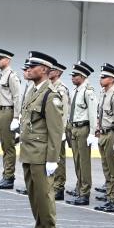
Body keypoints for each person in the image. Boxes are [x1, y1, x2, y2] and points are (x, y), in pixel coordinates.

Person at [18, 51, 65, 228]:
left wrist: (53, 159)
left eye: (32, 66)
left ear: (44, 70)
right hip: (29, 153)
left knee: (45, 198)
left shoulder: (50, 95)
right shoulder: (32, 91)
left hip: (42, 155)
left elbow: (56, 130)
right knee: (35, 198)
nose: (27, 69)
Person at [93, 64, 114, 213]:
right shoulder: (104, 93)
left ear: (112, 79)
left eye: (104, 77)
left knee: (113, 170)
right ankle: (109, 197)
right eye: (101, 76)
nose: (101, 79)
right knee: (106, 169)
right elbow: (100, 114)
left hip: (112, 134)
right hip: (103, 133)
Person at [65, 61, 98, 207]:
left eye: (75, 75)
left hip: (83, 128)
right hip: (74, 128)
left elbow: (92, 114)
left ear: (83, 76)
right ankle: (79, 188)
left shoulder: (88, 92)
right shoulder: (76, 90)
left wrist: (92, 132)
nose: (72, 78)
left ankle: (84, 193)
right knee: (77, 160)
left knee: (84, 162)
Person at [0, 49, 21, 190]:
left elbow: (16, 97)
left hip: (8, 112)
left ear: (8, 60)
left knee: (9, 146)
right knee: (4, 145)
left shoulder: (11, 76)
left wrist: (16, 117)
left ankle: (9, 177)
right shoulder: (0, 75)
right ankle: (6, 174)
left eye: (1, 58)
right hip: (0, 111)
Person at [48, 62, 71, 202]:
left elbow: (65, 112)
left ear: (58, 73)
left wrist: (62, 130)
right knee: (51, 157)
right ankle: (52, 185)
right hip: (50, 127)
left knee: (59, 159)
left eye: (52, 70)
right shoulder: (50, 87)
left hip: (58, 128)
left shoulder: (61, 89)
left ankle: (59, 187)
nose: (49, 72)